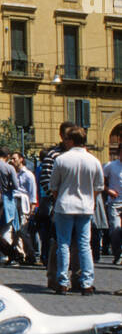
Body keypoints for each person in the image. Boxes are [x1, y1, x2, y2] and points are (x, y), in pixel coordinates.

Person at [49, 127, 104, 295]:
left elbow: (53, 186)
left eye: (66, 139)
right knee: (84, 245)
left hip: (64, 205)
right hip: (85, 206)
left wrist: (59, 198)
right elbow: (99, 186)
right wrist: (91, 199)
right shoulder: (93, 161)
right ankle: (87, 282)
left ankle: (63, 282)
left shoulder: (61, 159)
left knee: (63, 244)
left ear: (71, 141)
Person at [36, 121, 74, 266]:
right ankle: (55, 272)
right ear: (61, 135)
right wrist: (55, 197)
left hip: (77, 204)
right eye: (67, 136)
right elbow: (45, 179)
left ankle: (79, 277)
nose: (69, 139)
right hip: (57, 203)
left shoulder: (80, 154)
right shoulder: (53, 155)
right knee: (57, 238)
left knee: (78, 242)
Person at [103, 146, 122, 264]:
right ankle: (117, 254)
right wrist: (108, 190)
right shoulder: (110, 166)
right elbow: (100, 181)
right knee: (115, 230)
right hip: (115, 202)